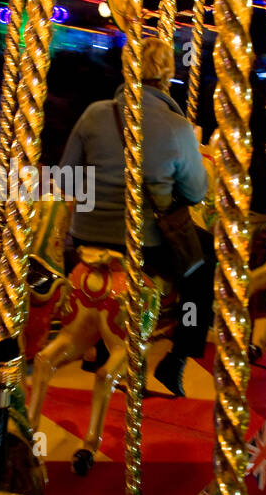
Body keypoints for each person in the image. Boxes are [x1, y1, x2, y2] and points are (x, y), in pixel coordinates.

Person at [61, 37, 209, 397]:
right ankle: (178, 356)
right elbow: (196, 192)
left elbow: (67, 174)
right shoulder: (177, 126)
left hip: (86, 236)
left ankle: (96, 346)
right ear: (167, 76)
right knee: (201, 270)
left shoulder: (95, 113)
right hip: (143, 242)